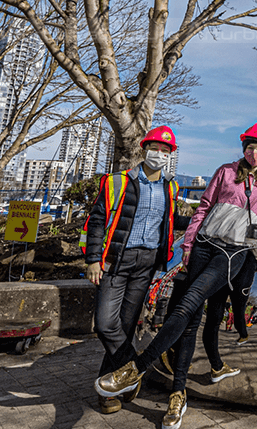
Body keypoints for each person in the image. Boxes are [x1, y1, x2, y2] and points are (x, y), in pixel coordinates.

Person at [93, 122, 257, 429]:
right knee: (189, 321)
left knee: (187, 304)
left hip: (232, 253)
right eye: (250, 146)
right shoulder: (226, 172)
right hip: (205, 246)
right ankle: (177, 394)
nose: (254, 152)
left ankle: (136, 368)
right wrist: (189, 246)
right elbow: (203, 208)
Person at [83, 125, 187, 415]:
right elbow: (95, 221)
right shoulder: (117, 182)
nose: (159, 154)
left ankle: (108, 389)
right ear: (144, 149)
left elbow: (170, 221)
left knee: (126, 327)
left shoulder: (171, 187)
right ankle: (132, 371)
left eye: (166, 151)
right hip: (116, 261)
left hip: (147, 263)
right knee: (105, 324)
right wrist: (93, 259)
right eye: (155, 149)